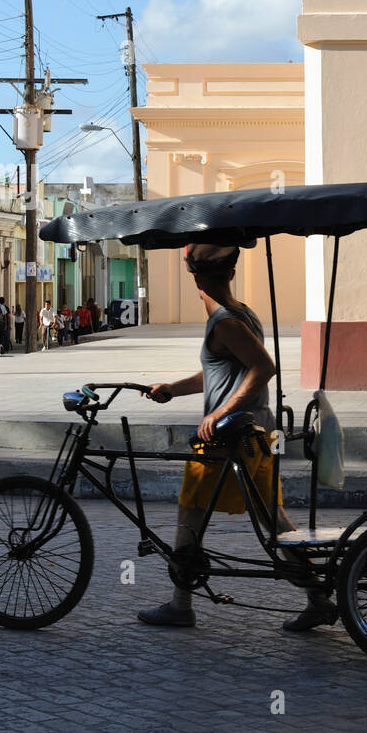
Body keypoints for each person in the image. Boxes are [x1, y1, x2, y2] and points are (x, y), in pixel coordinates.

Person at [139, 243, 335, 633]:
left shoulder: (226, 322)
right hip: (257, 433)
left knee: (190, 513)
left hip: (227, 438)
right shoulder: (240, 315)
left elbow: (263, 368)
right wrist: (173, 389)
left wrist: (218, 412)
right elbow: (222, 373)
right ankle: (318, 598)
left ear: (194, 278)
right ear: (230, 273)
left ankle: (181, 605)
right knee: (273, 520)